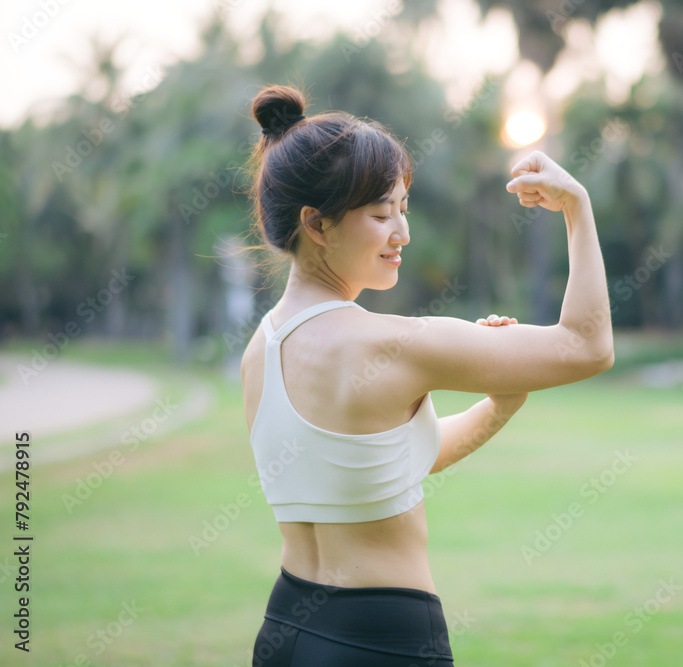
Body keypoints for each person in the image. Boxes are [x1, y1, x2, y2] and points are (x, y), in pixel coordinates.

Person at [240, 84, 613, 666]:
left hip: (285, 630)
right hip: (381, 638)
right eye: (382, 213)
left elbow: (391, 461)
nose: (402, 234)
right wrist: (577, 209)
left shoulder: (259, 352)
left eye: (404, 209)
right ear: (316, 224)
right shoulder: (395, 343)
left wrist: (499, 406)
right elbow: (586, 346)